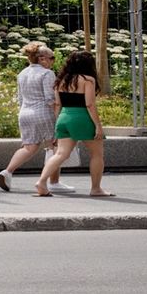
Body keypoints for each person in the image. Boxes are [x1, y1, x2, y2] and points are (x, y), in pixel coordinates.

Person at [37, 51, 114, 198]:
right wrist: (98, 125)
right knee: (97, 154)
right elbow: (90, 104)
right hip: (82, 117)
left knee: (60, 154)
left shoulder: (60, 80)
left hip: (64, 117)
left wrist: (56, 126)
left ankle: (41, 182)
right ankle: (96, 189)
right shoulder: (88, 80)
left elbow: (57, 105)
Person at [0, 42, 71, 192]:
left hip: (25, 113)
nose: (53, 61)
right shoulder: (47, 73)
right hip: (43, 113)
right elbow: (50, 99)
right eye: (52, 58)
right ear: (42, 59)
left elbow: (20, 98)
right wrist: (59, 113)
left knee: (29, 147)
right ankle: (54, 182)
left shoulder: (22, 73)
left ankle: (7, 172)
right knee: (55, 147)